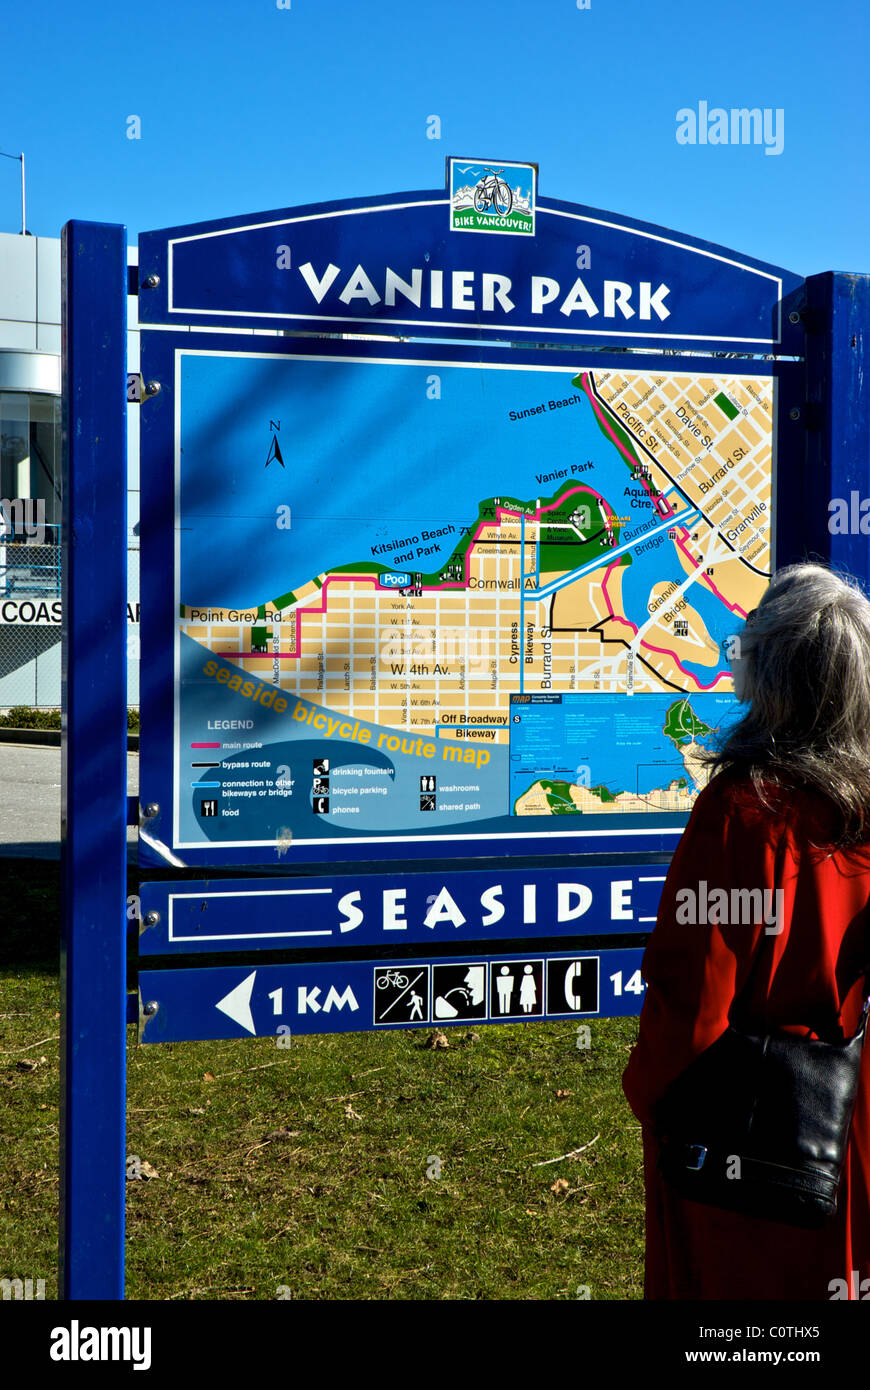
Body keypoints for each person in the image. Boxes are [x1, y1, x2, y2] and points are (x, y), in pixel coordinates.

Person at [622, 563, 870, 1299]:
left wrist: (650, 1094)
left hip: (755, 1137)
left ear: (768, 674)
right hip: (855, 1126)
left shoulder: (744, 813)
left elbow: (694, 1005)